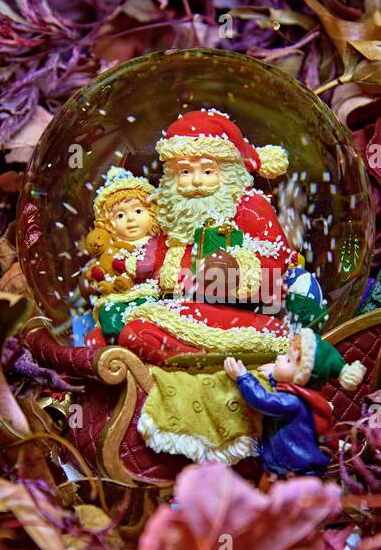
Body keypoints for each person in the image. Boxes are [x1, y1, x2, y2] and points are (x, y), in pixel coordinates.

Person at [116, 109, 303, 363]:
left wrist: (236, 272)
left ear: (228, 171)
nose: (195, 182)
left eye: (207, 172)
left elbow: (276, 277)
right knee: (119, 323)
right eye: (184, 172)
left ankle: (221, 362)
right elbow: (158, 267)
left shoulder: (251, 207)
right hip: (178, 306)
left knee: (136, 333)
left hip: (240, 314)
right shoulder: (173, 211)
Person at [223, 329, 366, 477]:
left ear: (301, 377)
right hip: (288, 465)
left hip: (290, 469)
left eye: (288, 359)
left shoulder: (293, 401)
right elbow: (282, 388)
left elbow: (264, 400)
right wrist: (273, 375)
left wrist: (242, 377)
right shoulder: (300, 394)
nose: (279, 357)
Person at [82, 167, 162, 343]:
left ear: (153, 213)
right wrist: (97, 276)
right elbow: (98, 271)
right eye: (120, 215)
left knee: (147, 313)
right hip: (115, 296)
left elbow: (150, 265)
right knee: (108, 314)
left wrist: (128, 265)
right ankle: (117, 341)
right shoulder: (109, 247)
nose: (130, 219)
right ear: (108, 223)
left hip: (148, 295)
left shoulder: (153, 242)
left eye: (138, 211)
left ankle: (140, 340)